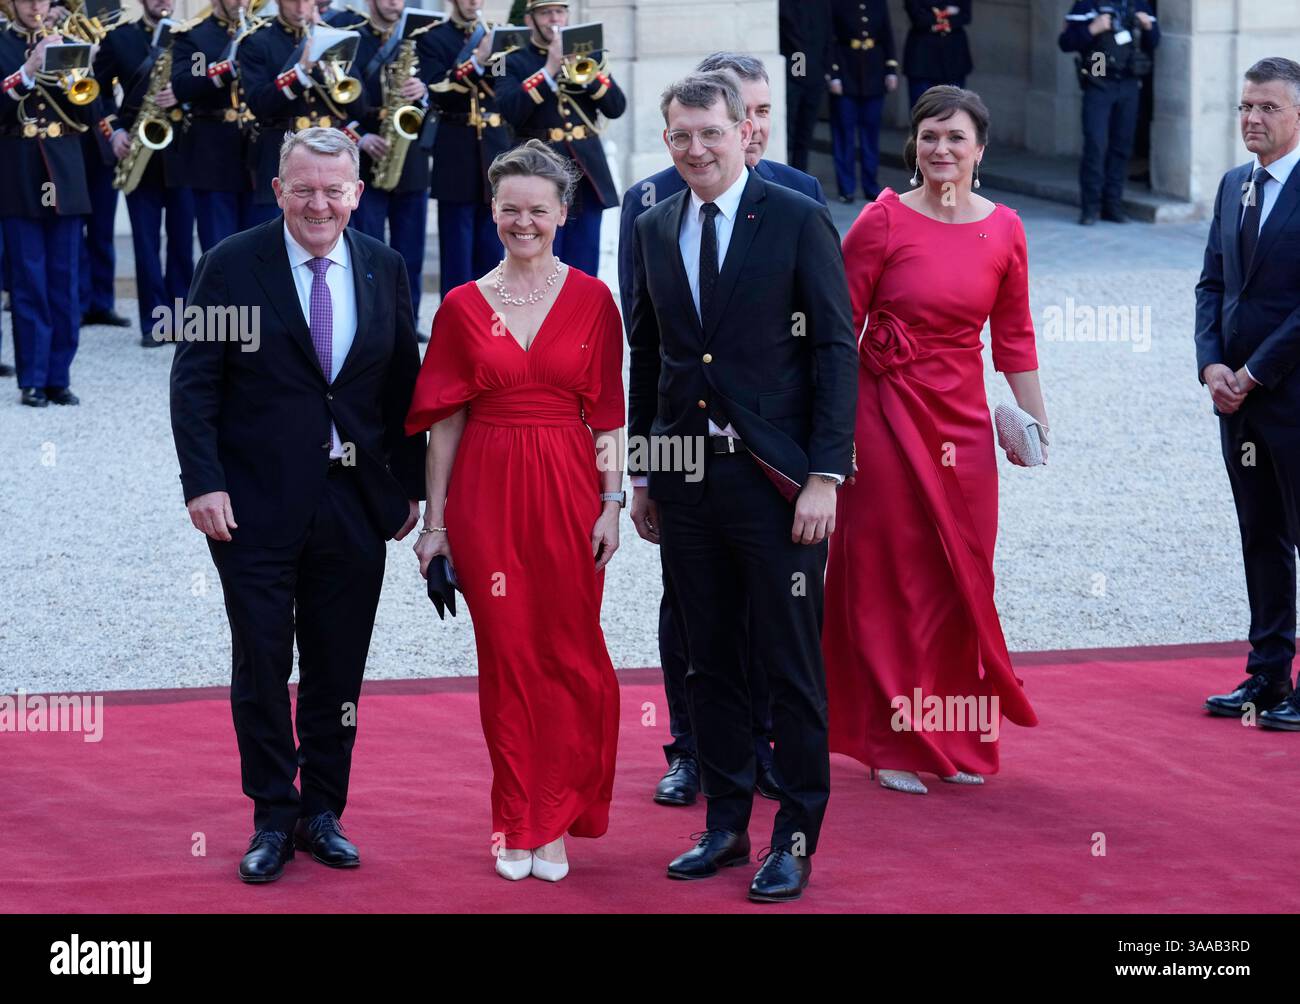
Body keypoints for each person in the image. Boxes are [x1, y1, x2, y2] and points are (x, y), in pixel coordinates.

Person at [170, 128, 426, 882]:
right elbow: (194, 386)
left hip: (352, 504)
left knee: (337, 668)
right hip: (250, 507)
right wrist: (203, 483)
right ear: (278, 190)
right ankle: (272, 816)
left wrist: (408, 489)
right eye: (304, 189)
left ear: (357, 192)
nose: (320, 203)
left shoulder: (384, 266)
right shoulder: (229, 264)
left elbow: (400, 388)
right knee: (260, 664)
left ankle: (322, 810)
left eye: (334, 189)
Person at [628, 71, 857, 903]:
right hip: (686, 481)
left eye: (711, 133)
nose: (697, 149)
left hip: (777, 483)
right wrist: (645, 472)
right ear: (667, 141)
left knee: (789, 666)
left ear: (743, 133)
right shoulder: (652, 226)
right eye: (681, 136)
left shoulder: (796, 217)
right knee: (706, 661)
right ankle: (726, 825)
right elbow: (648, 354)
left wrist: (825, 475)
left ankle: (793, 838)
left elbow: (835, 349)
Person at [407, 140, 625, 884]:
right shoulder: (464, 306)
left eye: (538, 209)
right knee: (507, 662)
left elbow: (610, 417)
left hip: (569, 493)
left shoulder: (595, 299)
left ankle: (557, 816)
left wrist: (613, 504)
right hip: (487, 496)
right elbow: (445, 424)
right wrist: (435, 527)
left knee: (570, 656)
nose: (523, 222)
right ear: (492, 211)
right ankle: (516, 819)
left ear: (564, 213)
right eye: (510, 210)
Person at [822, 86, 1045, 797]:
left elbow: (1014, 337)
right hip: (883, 413)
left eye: (954, 138)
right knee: (892, 573)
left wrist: (1036, 421)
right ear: (913, 146)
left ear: (980, 148)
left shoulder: (1006, 228)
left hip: (965, 423)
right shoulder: (881, 221)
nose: (940, 150)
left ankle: (955, 733)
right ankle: (890, 739)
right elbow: (835, 331)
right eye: (928, 137)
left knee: (962, 575)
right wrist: (832, 440)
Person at [1198, 58, 1300, 731]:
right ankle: (1266, 676)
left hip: (1291, 395)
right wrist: (1211, 367)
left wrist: (1256, 371)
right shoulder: (1236, 185)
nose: (1252, 119)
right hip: (1237, 402)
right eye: (1244, 107)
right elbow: (1211, 285)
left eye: (1267, 108)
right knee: (1259, 535)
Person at [1, 0, 92, 407]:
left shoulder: (70, 42)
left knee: (64, 282)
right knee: (28, 283)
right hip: (18, 173)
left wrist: (77, 73)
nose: (36, 6)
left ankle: (60, 376)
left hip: (65, 174)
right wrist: (28, 72)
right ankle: (33, 378)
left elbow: (91, 109)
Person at [496, 0, 625, 277]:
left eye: (559, 12)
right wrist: (550, 69)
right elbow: (510, 111)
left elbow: (616, 107)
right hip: (538, 171)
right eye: (545, 13)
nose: (554, 19)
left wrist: (588, 76)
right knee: (542, 258)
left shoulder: (589, 55)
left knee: (585, 259)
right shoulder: (511, 60)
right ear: (530, 20)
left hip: (586, 172)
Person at [94, 0, 195, 347]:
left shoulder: (189, 37)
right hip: (139, 151)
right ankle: (154, 322)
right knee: (146, 244)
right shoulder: (118, 39)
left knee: (183, 244)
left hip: (182, 151)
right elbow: (98, 94)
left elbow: (205, 88)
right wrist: (114, 132)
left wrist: (181, 95)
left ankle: (181, 320)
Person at [347, 0, 431, 321]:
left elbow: (438, 93)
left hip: (410, 159)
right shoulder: (353, 39)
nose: (395, 2)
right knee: (367, 249)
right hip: (368, 155)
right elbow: (341, 105)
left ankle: (407, 320)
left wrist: (422, 92)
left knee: (411, 251)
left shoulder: (422, 40)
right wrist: (361, 138)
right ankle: (370, 320)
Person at [420, 0, 509, 300]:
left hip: (494, 151)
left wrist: (493, 56)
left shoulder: (495, 35)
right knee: (457, 253)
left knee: (493, 248)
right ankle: (455, 323)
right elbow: (437, 91)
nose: (474, 2)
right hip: (455, 149)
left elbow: (502, 84)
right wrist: (477, 59)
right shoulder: (432, 37)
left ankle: (493, 323)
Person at [237, 0, 347, 228]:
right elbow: (259, 104)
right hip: (279, 153)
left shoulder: (334, 38)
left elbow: (358, 105)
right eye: (292, 1)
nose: (300, 8)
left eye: (306, 1)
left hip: (330, 155)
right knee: (275, 241)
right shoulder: (256, 42)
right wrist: (300, 73)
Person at [1058, 1, 1159, 225]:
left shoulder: (1138, 4)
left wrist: (1147, 26)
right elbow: (1065, 42)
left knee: (1121, 146)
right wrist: (1092, 29)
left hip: (1129, 80)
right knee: (1096, 144)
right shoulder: (1088, 4)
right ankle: (1090, 208)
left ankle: (1112, 206)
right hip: (1099, 72)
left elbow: (1155, 42)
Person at [171, 0, 261, 251]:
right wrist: (224, 71)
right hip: (212, 154)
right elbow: (184, 85)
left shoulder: (262, 31)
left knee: (260, 247)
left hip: (257, 154)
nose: (242, 2)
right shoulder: (196, 37)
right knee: (220, 247)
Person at [828, 0, 899, 203]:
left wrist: (890, 69)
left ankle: (870, 186)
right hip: (845, 70)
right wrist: (833, 74)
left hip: (874, 73)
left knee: (870, 136)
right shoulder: (835, 4)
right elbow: (829, 37)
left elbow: (887, 33)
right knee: (844, 135)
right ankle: (846, 188)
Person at [778, 0, 831, 174]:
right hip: (796, 77)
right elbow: (793, 38)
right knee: (789, 134)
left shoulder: (821, 4)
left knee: (805, 135)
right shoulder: (787, 4)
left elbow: (828, 34)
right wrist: (802, 72)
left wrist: (826, 68)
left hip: (814, 75)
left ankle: (800, 176)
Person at [902, 2, 972, 108]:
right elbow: (918, 18)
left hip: (953, 56)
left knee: (953, 109)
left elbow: (965, 16)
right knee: (922, 109)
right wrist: (947, 13)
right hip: (922, 57)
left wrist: (934, 22)